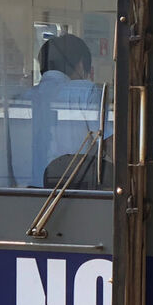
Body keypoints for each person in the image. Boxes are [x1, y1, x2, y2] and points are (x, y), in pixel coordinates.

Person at [26, 33, 104, 188]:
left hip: (24, 195)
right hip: (75, 195)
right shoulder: (86, 91)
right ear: (81, 66)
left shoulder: (23, 97)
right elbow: (108, 142)